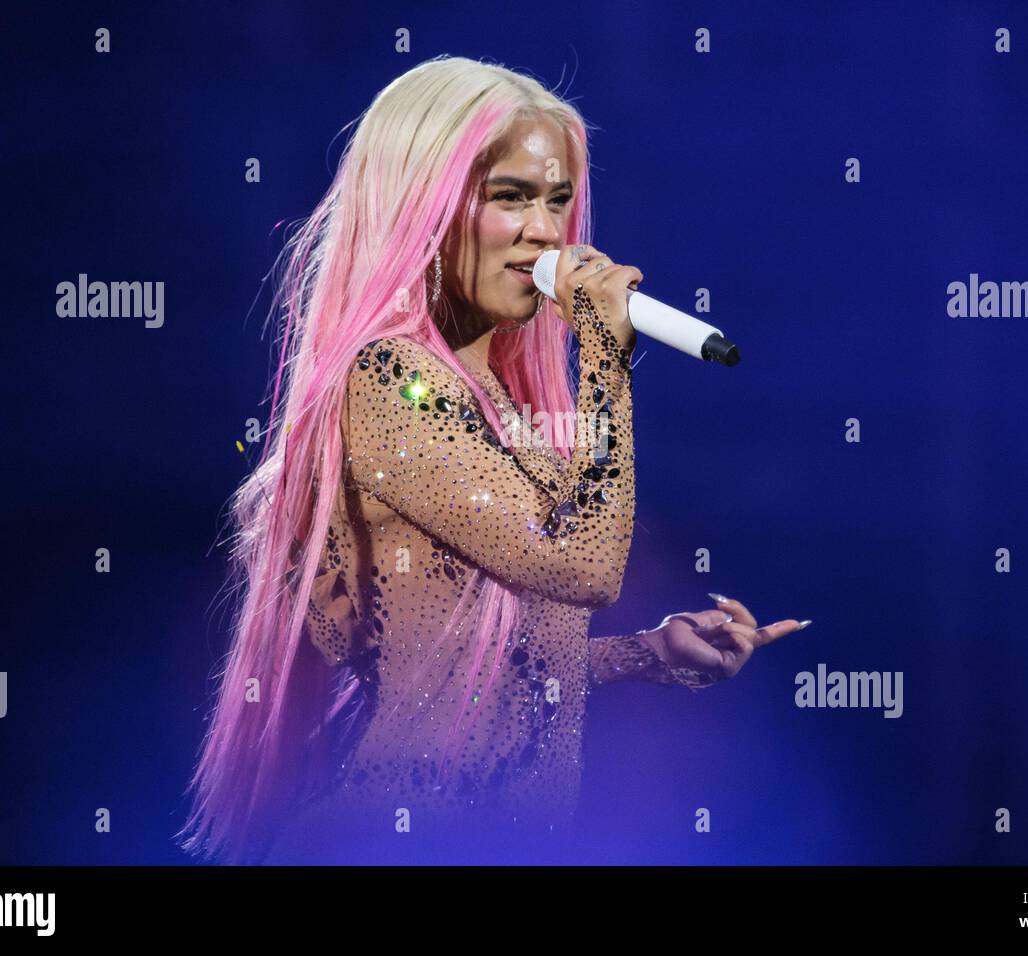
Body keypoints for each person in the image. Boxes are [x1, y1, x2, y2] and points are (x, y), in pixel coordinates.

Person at [177, 55, 807, 865]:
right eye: (510, 196)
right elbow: (585, 571)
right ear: (424, 202)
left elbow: (486, 679)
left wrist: (647, 653)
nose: (546, 231)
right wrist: (605, 365)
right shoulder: (392, 380)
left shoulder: (493, 398)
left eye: (558, 199)